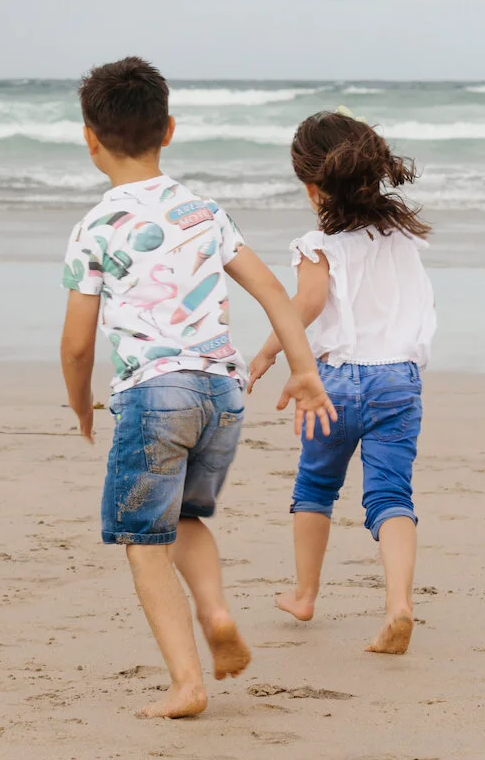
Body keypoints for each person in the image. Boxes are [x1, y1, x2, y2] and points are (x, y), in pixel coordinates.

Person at [58, 57, 337, 719]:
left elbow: (76, 342)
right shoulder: (204, 211)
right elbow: (272, 289)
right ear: (170, 129)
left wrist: (80, 402)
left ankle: (187, 681)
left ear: (89, 139)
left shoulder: (96, 226)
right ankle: (213, 611)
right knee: (184, 516)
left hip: (154, 395)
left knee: (143, 537)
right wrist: (303, 367)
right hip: (222, 392)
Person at [248, 110, 435, 655]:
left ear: (312, 187)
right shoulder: (401, 236)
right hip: (399, 380)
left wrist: (266, 352)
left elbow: (304, 305)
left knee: (314, 488)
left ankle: (305, 594)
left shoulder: (317, 245)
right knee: (391, 496)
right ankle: (399, 603)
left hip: (334, 381)